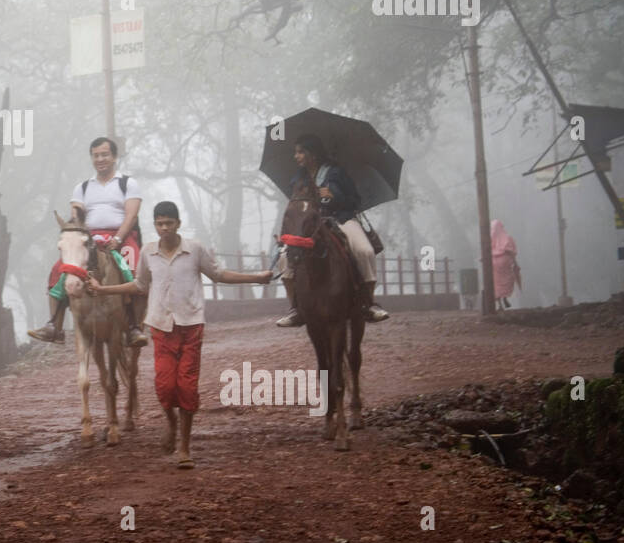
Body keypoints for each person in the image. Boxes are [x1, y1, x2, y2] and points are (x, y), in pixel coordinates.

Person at [89, 201, 271, 468]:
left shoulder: (194, 249)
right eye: (159, 223)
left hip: (191, 325)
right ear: (155, 225)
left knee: (187, 387)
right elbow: (140, 285)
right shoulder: (149, 252)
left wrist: (256, 277)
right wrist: (103, 290)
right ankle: (171, 423)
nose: (164, 228)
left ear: (178, 224)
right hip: (161, 327)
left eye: (169, 223)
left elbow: (219, 274)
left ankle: (185, 447)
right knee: (164, 386)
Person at [28, 136, 148, 347]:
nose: (100, 159)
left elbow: (131, 215)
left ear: (114, 157)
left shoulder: (127, 183)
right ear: (91, 158)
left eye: (105, 154)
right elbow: (77, 217)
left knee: (136, 273)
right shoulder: (82, 188)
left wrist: (118, 238)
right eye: (96, 155)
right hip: (89, 239)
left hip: (121, 236)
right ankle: (54, 325)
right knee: (59, 270)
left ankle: (134, 327)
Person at [275, 133, 390, 327]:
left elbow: (355, 201)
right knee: (285, 257)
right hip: (309, 223)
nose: (296, 156)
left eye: (300, 152)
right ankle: (296, 308)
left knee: (364, 251)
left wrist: (334, 195)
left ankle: (368, 304)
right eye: (296, 152)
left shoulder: (336, 173)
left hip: (341, 218)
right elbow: (295, 204)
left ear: (312, 154)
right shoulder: (299, 178)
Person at [491, 219, 521, 310]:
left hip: (494, 262)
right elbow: (512, 251)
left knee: (496, 283)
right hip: (506, 261)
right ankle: (505, 298)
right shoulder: (507, 238)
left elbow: (487, 250)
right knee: (508, 279)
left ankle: (500, 304)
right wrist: (515, 263)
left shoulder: (491, 238)